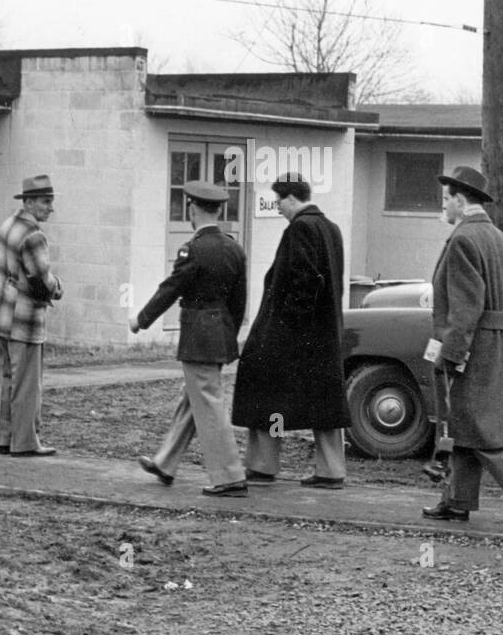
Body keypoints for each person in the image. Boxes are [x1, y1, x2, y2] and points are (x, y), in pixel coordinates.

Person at [421, 167, 503, 527]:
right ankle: (457, 499)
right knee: (466, 420)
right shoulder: (497, 237)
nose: (444, 207)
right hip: (491, 341)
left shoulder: (463, 240)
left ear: (460, 202)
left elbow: (466, 308)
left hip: (469, 344)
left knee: (476, 423)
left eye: (446, 200)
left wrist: (452, 352)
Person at [130, 180, 249, 497]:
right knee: (195, 397)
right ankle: (166, 462)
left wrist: (141, 320)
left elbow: (170, 289)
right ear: (219, 210)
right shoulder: (235, 249)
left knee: (207, 403)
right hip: (221, 333)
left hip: (198, 335)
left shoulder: (192, 250)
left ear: (192, 209)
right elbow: (239, 303)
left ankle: (230, 477)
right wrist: (228, 335)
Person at [232, 172, 350, 488]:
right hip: (325, 336)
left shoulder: (300, 228)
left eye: (279, 202)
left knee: (266, 395)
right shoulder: (331, 228)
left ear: (291, 198)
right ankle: (331, 469)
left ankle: (263, 464)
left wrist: (286, 329)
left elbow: (304, 282)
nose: (278, 209)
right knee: (326, 405)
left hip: (293, 335)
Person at [0, 175, 64, 457]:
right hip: (24, 320)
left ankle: (5, 438)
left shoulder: (6, 227)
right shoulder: (34, 235)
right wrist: (58, 289)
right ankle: (25, 442)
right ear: (29, 202)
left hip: (1, 315)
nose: (50, 208)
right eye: (46, 202)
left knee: (7, 379)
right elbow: (42, 280)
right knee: (27, 384)